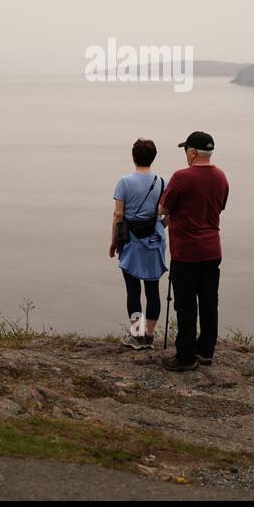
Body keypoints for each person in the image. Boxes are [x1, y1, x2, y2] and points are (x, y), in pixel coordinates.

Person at [158, 131, 229, 371]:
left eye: (186, 151)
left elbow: (163, 208)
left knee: (186, 305)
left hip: (186, 252)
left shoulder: (181, 177)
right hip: (212, 249)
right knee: (209, 303)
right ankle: (205, 352)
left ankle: (185, 357)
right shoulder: (221, 177)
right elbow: (219, 207)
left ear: (192, 152)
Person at [109, 138, 167, 349]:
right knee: (153, 289)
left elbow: (118, 215)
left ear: (133, 156)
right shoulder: (162, 182)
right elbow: (168, 213)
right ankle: (150, 336)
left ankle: (137, 335)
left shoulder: (124, 182)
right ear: (153, 157)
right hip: (154, 241)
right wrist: (161, 226)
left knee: (133, 290)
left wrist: (114, 241)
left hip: (131, 241)